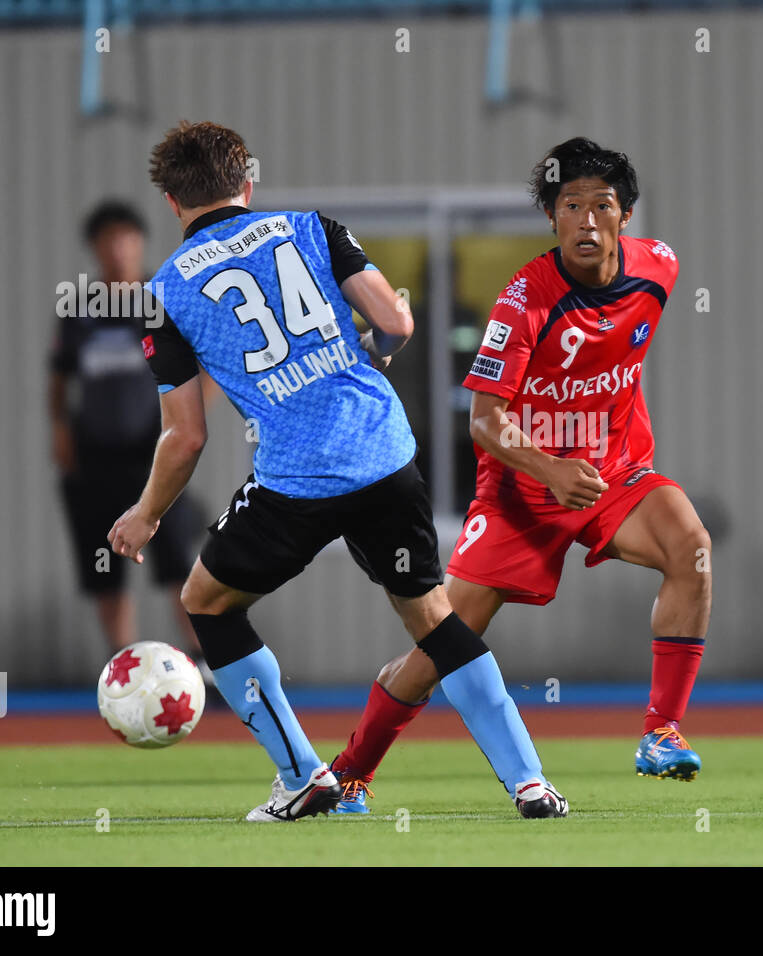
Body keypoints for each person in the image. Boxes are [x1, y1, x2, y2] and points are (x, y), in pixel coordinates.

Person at [110, 121, 565, 822]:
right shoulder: (311, 227)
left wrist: (145, 514)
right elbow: (396, 323)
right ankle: (531, 782)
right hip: (385, 455)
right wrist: (380, 343)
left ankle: (302, 775)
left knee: (205, 600)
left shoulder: (166, 290)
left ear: (172, 201)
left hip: (297, 479)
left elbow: (186, 436)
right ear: (247, 183)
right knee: (435, 621)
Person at [344, 137, 713, 785]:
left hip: (613, 473)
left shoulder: (659, 269)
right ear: (552, 217)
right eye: (571, 205)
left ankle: (660, 732)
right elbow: (484, 422)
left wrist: (588, 463)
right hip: (521, 494)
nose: (588, 220)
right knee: (437, 651)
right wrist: (552, 470)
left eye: (603, 205)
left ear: (626, 215)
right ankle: (350, 774)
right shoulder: (523, 302)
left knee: (692, 550)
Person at [50, 201, 203, 656]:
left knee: (178, 560)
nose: (118, 249)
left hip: (155, 454)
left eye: (126, 238)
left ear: (139, 242)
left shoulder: (163, 300)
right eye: (107, 240)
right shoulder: (79, 310)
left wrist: (188, 417)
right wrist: (60, 430)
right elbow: (59, 379)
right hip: (96, 457)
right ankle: (123, 665)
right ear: (95, 248)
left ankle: (204, 665)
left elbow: (206, 367)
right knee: (105, 568)